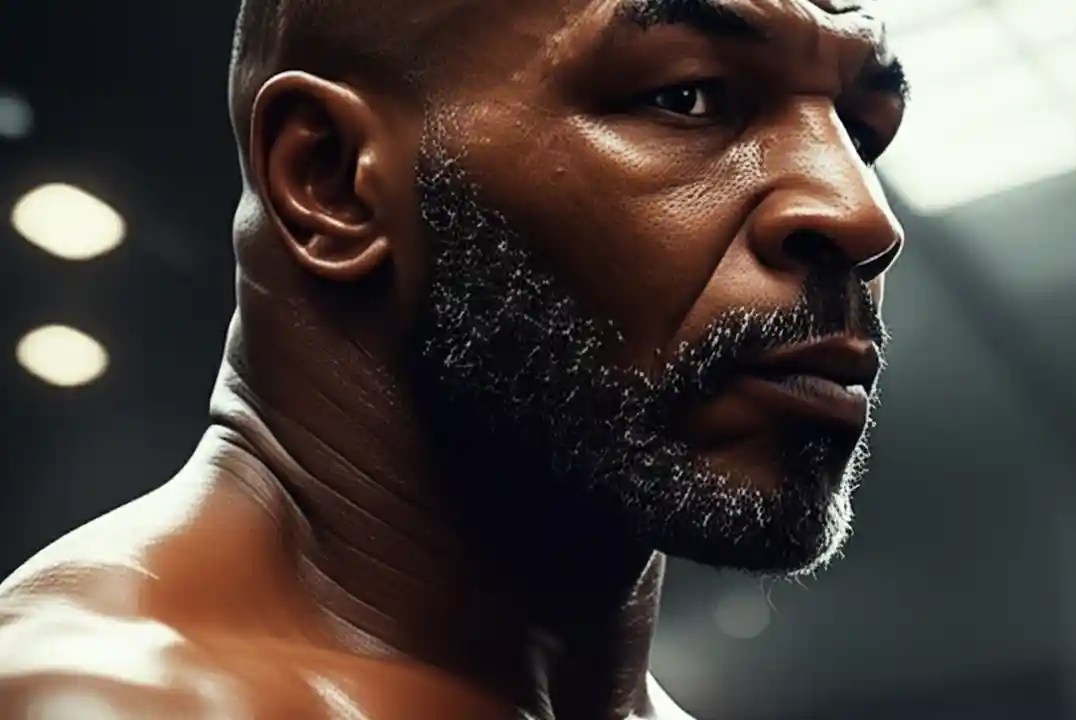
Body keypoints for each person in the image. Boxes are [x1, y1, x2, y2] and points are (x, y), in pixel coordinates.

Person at [0, 0, 908, 717]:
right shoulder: (85, 699)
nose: (865, 218)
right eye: (688, 96)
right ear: (332, 178)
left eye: (862, 133)